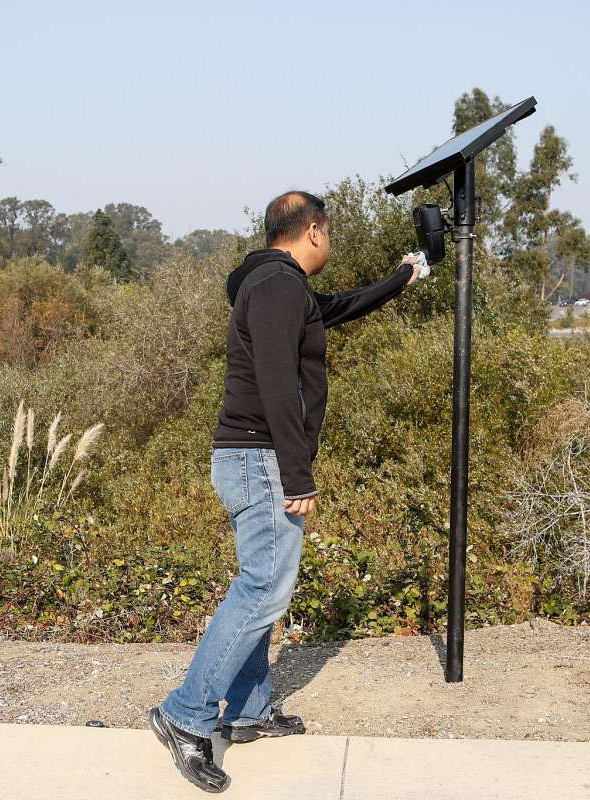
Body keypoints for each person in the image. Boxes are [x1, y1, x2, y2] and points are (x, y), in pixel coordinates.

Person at [148, 190, 425, 793]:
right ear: (315, 232)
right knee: (263, 591)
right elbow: (278, 386)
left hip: (253, 456)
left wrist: (399, 279)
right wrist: (298, 477)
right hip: (261, 458)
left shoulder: (275, 285)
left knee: (258, 582)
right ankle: (185, 715)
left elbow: (334, 308)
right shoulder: (276, 288)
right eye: (330, 234)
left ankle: (247, 712)